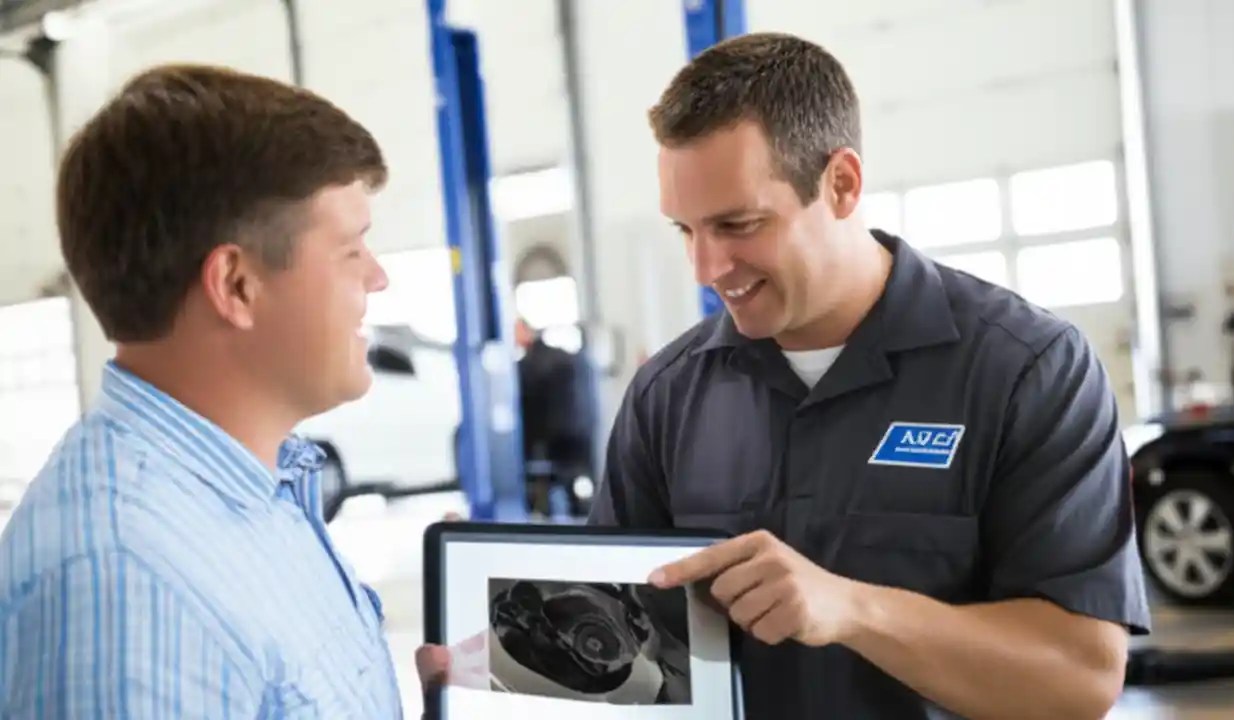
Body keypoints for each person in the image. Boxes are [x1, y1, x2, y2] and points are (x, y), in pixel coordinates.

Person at [420, 31, 1151, 719]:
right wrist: (492, 666)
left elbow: (1081, 678)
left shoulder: (1026, 372)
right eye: (686, 230)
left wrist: (854, 610)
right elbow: (620, 641)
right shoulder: (668, 396)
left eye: (737, 225)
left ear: (841, 184)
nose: (706, 268)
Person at [0, 65, 402, 717]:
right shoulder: (131, 589)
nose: (378, 277)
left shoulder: (251, 490)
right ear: (236, 286)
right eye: (352, 250)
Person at [514, 317, 598, 516]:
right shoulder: (569, 358)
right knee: (581, 486)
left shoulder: (530, 364)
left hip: (554, 437)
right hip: (582, 432)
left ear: (526, 332)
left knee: (551, 486)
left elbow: (529, 405)